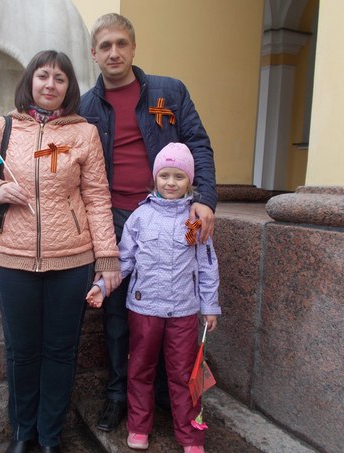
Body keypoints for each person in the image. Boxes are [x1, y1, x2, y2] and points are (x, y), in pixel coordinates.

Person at [0, 50, 121, 453]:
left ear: (69, 87)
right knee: (21, 352)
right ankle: (22, 434)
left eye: (59, 78)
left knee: (60, 352)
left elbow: (97, 198)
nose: (50, 84)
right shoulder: (3, 126)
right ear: (30, 81)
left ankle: (50, 437)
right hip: (13, 259)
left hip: (72, 261)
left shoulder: (84, 133)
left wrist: (108, 260)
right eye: (43, 76)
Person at [78, 13, 218, 432]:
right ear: (93, 53)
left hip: (170, 216)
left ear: (134, 47)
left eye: (121, 43)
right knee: (117, 310)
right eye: (105, 46)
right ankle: (118, 393)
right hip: (112, 220)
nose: (114, 53)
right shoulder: (85, 107)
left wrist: (205, 199)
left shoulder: (169, 92)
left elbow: (198, 144)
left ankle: (164, 393)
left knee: (172, 310)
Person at [86, 143, 221, 453]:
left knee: (184, 374)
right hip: (144, 308)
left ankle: (190, 436)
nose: (171, 183)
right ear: (155, 178)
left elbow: (206, 265)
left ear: (189, 181)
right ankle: (138, 426)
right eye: (164, 176)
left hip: (183, 311)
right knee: (140, 369)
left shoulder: (193, 220)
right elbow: (124, 260)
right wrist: (102, 287)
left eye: (179, 177)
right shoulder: (140, 217)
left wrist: (209, 305)